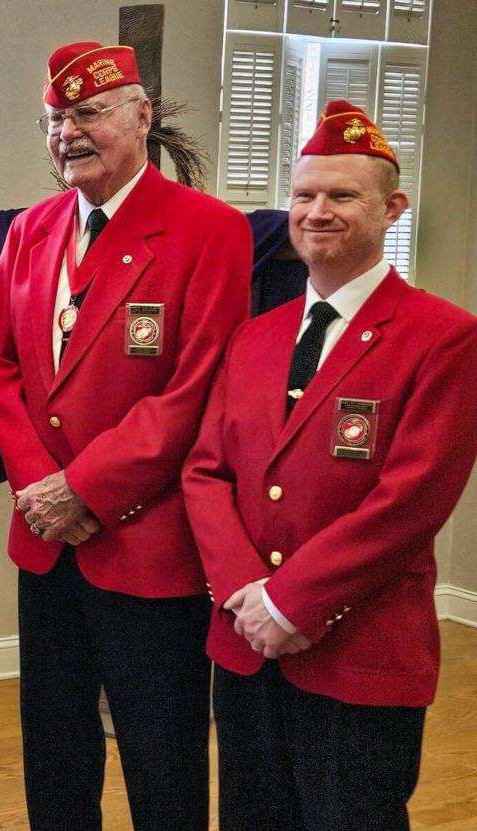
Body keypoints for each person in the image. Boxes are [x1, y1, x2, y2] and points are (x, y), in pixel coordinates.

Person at [0, 42, 253, 830]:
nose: (68, 132)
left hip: (147, 545)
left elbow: (195, 388)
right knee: (55, 752)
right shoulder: (31, 231)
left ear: (141, 115)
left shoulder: (209, 231)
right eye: (56, 118)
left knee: (160, 755)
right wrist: (42, 488)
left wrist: (87, 488)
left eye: (89, 113)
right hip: (48, 539)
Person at [183, 100, 477, 831]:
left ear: (392, 207)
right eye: (304, 194)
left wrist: (292, 601)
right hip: (249, 642)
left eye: (342, 195)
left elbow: (410, 500)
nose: (317, 211)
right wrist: (248, 593)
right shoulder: (255, 335)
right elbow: (205, 471)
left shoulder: (445, 338)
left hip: (359, 650)